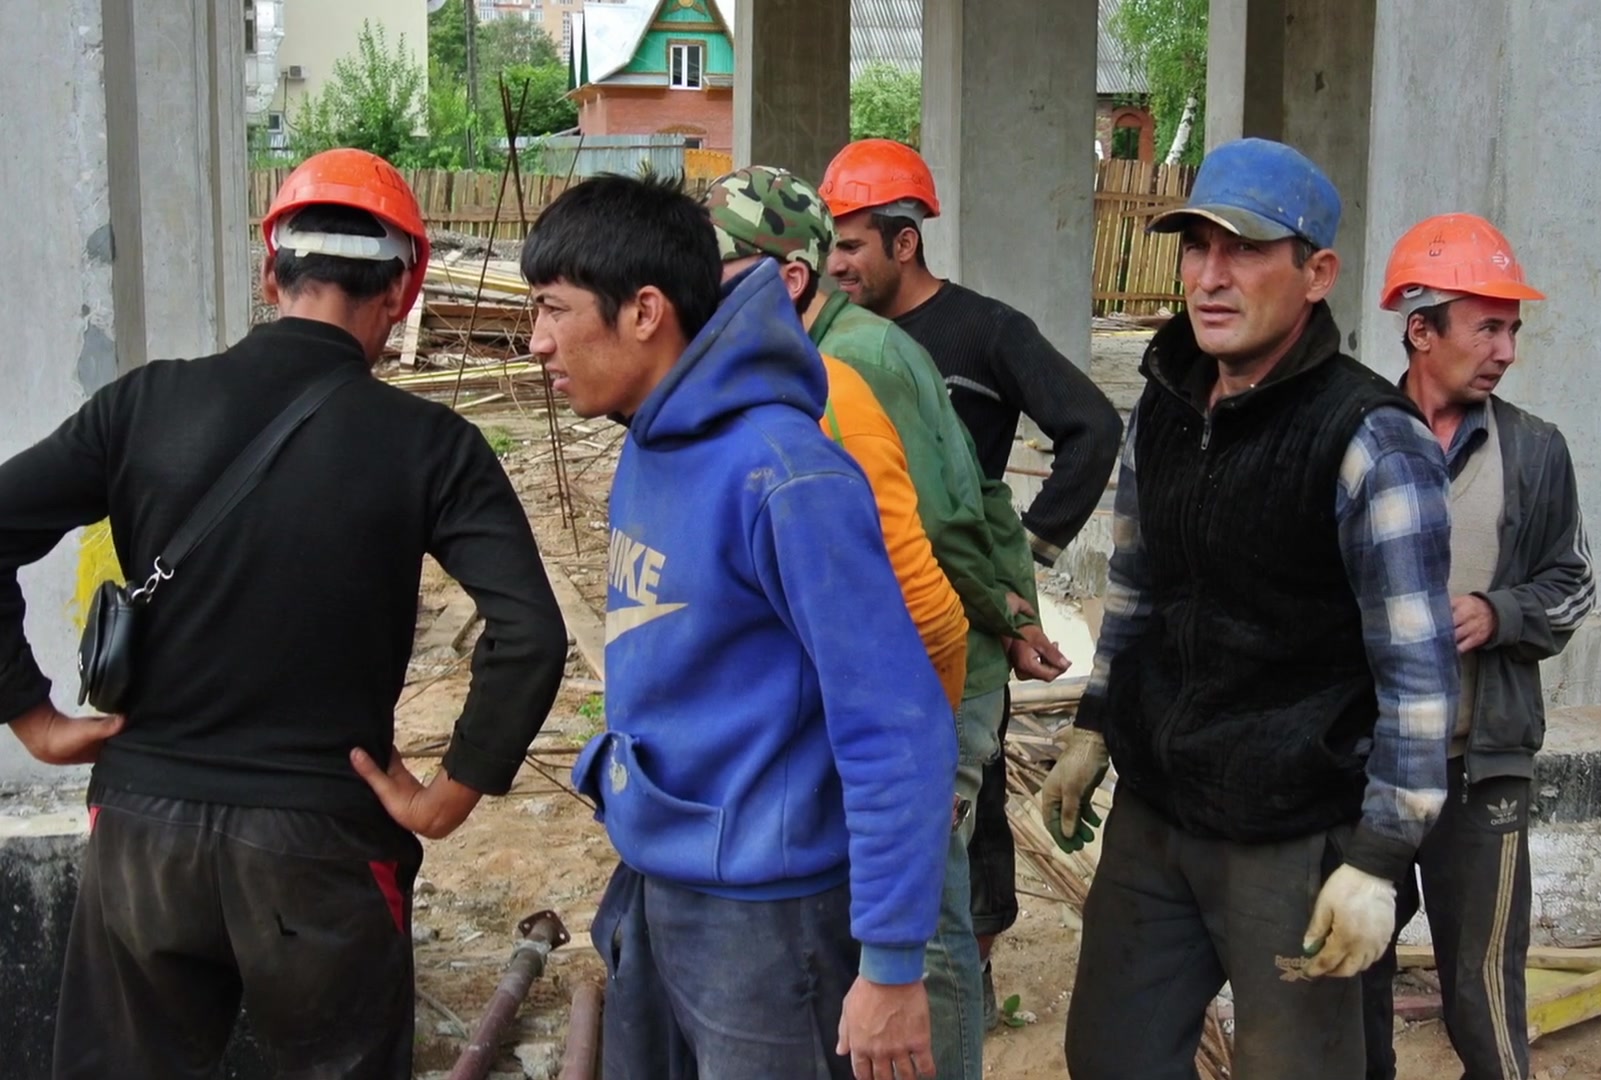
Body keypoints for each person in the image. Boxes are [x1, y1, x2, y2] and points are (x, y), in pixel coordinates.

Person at [0, 148, 569, 1078]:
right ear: (402, 292)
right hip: (322, 850)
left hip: (142, 830)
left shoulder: (144, 405)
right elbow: (532, 634)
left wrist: (34, 717)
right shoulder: (434, 446)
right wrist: (448, 795)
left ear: (270, 271)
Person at [1040, 138, 1460, 1078]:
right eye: (1196, 247)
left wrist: (1379, 860)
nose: (1211, 277)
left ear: (1317, 273)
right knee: (1110, 1056)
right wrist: (1098, 726)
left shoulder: (1369, 442)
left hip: (1291, 833)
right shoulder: (1165, 405)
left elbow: (1420, 678)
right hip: (1159, 817)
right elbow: (1141, 591)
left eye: (1245, 250)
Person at [527, 172, 955, 1080]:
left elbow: (894, 722)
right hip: (664, 886)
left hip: (772, 927)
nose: (536, 343)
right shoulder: (651, 441)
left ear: (644, 312)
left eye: (554, 310)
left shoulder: (787, 477)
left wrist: (889, 962)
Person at [705, 164, 1067, 1080]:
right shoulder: (848, 346)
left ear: (786, 279)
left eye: (713, 273)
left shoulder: (849, 364)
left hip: (935, 669)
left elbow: (940, 526)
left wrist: (985, 638)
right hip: (931, 664)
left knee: (928, 932)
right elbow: (977, 485)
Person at [820, 138, 1122, 1006]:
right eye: (828, 246)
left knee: (969, 799)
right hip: (882, 605)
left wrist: (1028, 555)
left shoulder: (982, 333)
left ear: (903, 243)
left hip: (967, 609)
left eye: (851, 245)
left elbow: (1093, 427)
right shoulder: (838, 338)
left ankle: (967, 975)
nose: (834, 263)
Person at [1358, 213, 1594, 1080]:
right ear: (1421, 330)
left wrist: (1497, 614)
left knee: (1484, 989)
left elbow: (1573, 585)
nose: (1505, 350)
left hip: (1477, 762)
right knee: (1353, 979)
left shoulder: (1534, 451)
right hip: (1363, 759)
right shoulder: (1357, 436)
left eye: (1512, 329)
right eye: (1486, 327)